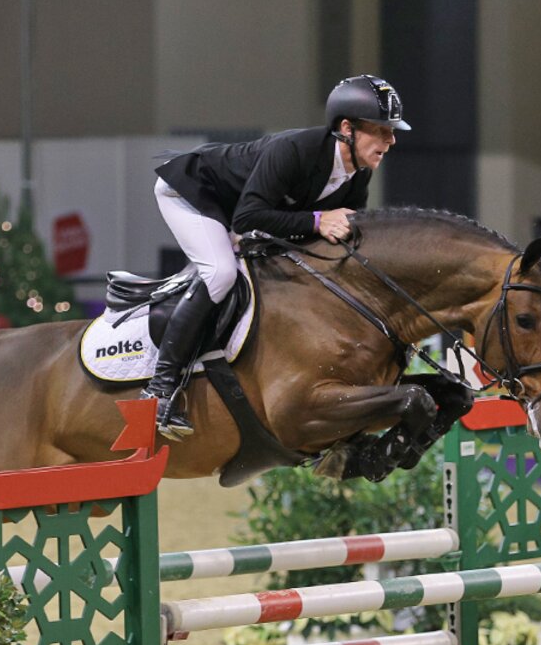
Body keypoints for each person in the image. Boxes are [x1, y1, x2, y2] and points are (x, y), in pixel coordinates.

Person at [144, 74, 411, 439]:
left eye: (392, 131)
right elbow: (247, 218)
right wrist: (317, 220)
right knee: (221, 273)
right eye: (382, 130)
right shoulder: (295, 150)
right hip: (194, 194)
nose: (391, 140)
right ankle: (160, 390)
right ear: (346, 128)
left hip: (243, 209)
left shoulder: (357, 175)